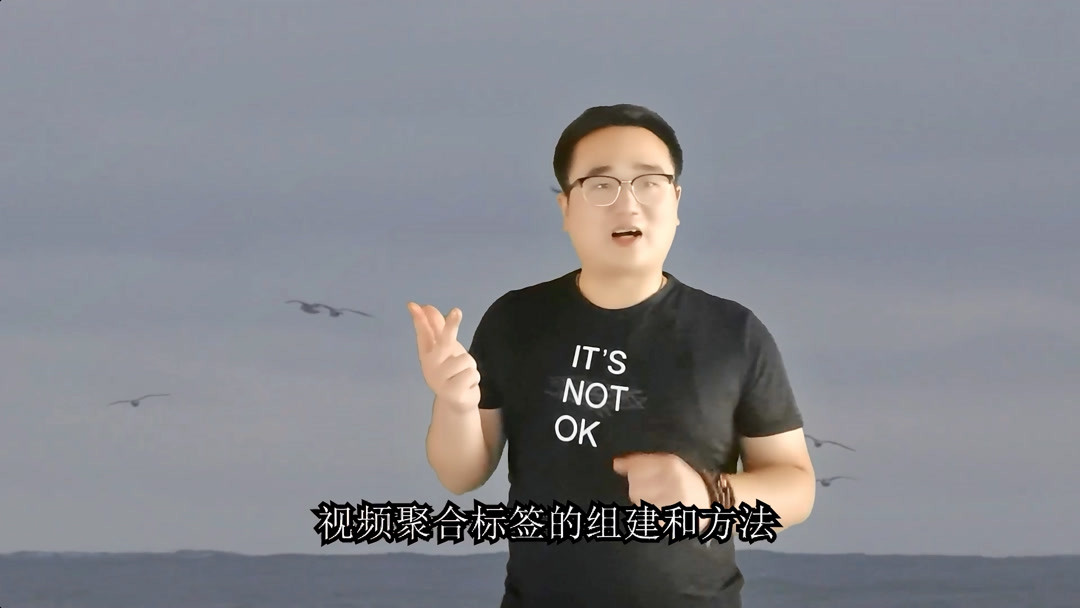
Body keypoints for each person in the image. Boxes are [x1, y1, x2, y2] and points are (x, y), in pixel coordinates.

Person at [409, 104, 816, 607]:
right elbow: (461, 475)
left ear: (676, 200)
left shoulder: (735, 332)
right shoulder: (516, 319)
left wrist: (708, 496)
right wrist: (452, 403)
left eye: (649, 182)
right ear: (566, 208)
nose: (628, 204)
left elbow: (796, 489)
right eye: (601, 185)